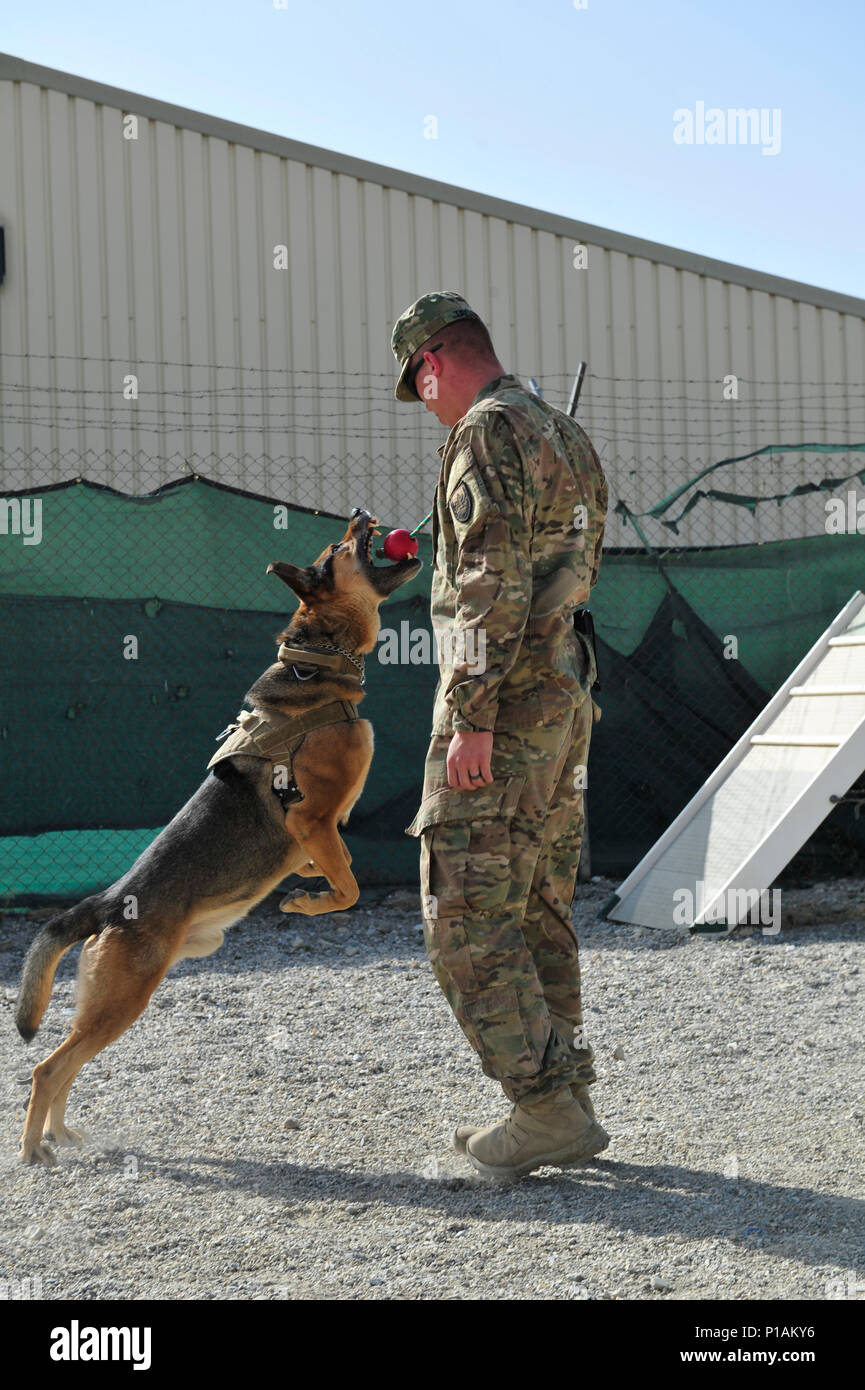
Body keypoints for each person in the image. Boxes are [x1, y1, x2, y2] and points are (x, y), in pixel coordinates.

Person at [393, 291, 610, 1182]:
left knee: (464, 910)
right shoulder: (563, 433)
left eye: (419, 386)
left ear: (433, 361)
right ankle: (565, 1095)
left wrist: (471, 715)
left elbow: (487, 581)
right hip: (561, 701)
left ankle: (543, 1106)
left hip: (507, 708)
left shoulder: (484, 433)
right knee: (535, 905)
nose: (426, 405)